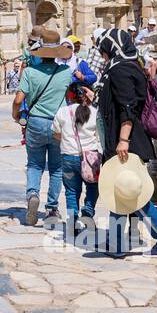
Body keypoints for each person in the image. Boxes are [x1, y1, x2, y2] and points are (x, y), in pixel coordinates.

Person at [97, 27, 157, 258]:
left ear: (112, 48)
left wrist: (123, 139)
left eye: (104, 50)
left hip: (128, 141)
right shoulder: (127, 67)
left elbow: (128, 106)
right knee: (121, 189)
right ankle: (115, 243)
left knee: (133, 192)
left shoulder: (120, 70)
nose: (102, 55)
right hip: (126, 140)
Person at [12, 26, 75, 226]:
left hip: (36, 121)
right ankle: (52, 208)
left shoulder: (30, 72)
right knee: (56, 167)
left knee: (34, 164)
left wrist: (16, 114)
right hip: (58, 122)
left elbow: (18, 99)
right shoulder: (65, 72)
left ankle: (32, 196)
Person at [53, 77, 100, 236]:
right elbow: (99, 134)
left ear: (70, 96)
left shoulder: (62, 112)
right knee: (93, 187)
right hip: (91, 157)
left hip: (68, 157)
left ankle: (72, 222)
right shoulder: (94, 113)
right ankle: (88, 212)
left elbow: (57, 133)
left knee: (71, 191)